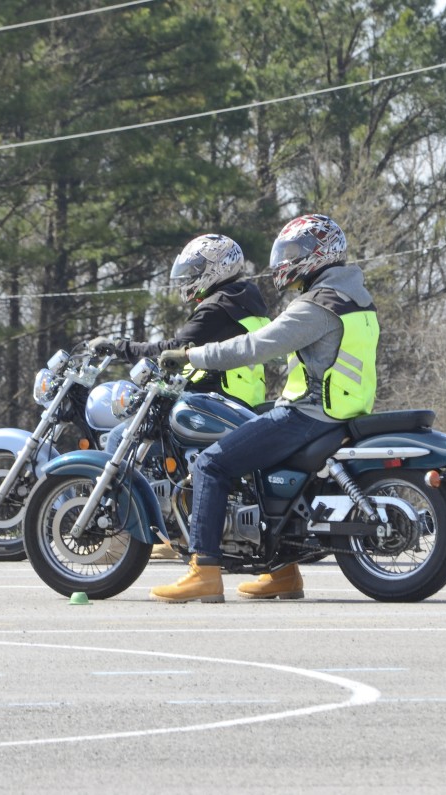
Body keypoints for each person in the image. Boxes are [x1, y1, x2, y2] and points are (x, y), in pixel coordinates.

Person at [148, 214, 378, 602]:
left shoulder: (318, 304)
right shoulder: (354, 296)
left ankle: (203, 570)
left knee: (211, 464)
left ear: (318, 254)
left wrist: (191, 356)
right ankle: (283, 573)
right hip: (340, 409)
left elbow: (254, 346)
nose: (284, 261)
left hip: (309, 413)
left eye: (293, 252)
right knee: (259, 474)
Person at [87, 233, 270, 560]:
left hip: (215, 401)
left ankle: (126, 538)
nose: (189, 278)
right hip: (236, 400)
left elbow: (171, 350)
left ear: (217, 268)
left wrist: (119, 348)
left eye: (197, 269)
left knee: (120, 439)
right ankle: (166, 530)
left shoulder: (219, 307)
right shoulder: (245, 300)